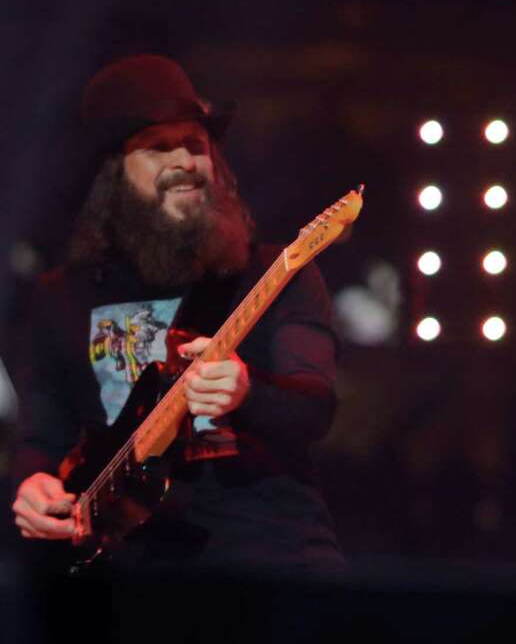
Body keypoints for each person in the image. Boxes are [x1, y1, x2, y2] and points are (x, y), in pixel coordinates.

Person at [10, 54, 344, 574]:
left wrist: (248, 390)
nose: (185, 161)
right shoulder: (60, 298)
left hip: (271, 565)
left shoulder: (276, 273)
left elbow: (315, 407)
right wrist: (30, 484)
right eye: (158, 147)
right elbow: (41, 438)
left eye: (195, 143)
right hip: (125, 583)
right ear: (113, 176)